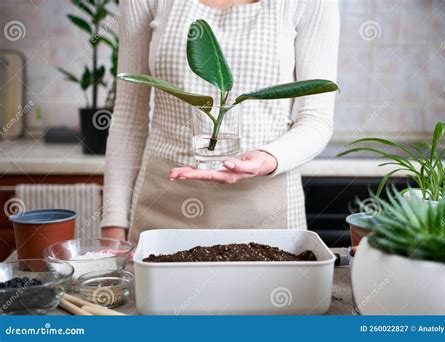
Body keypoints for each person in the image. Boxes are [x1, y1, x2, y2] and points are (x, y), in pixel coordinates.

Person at [101, 0, 340, 244]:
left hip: (266, 209)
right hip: (162, 210)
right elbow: (129, 117)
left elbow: (315, 119)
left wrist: (267, 158)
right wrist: (112, 226)